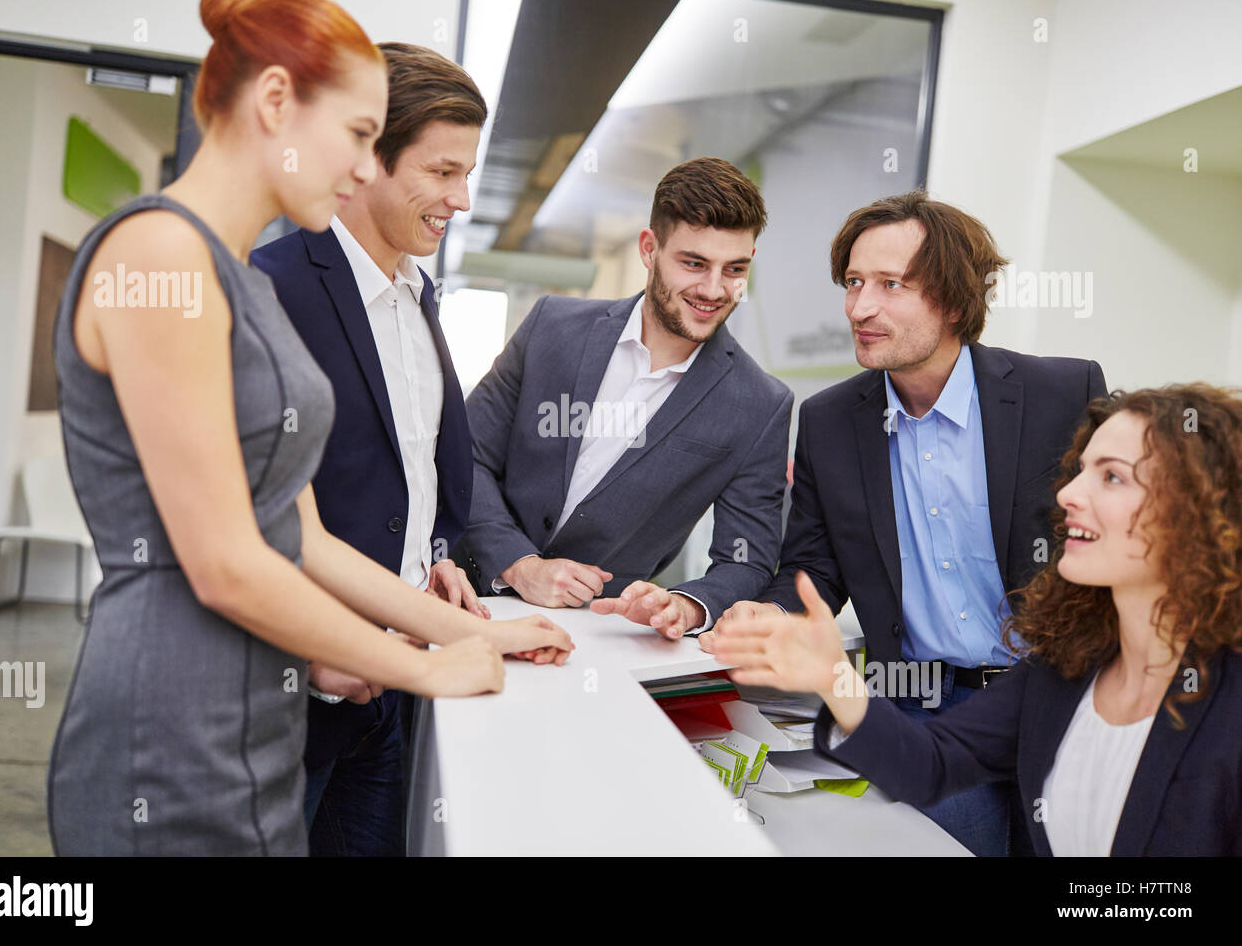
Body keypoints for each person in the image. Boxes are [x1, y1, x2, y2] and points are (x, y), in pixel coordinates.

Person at [47, 0, 570, 857]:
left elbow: (304, 539)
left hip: (258, 712)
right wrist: (423, 666)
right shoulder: (159, 254)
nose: (366, 170)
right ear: (278, 102)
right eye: (361, 135)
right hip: (169, 724)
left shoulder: (238, 282)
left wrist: (476, 633)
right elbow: (225, 561)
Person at [705, 190, 1106, 856]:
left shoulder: (1061, 394)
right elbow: (815, 565)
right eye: (855, 283)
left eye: (892, 285)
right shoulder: (831, 421)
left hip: (1057, 697)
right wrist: (775, 615)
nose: (860, 308)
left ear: (953, 298)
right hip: (925, 712)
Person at [711, 384, 1242, 856]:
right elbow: (932, 764)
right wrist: (831, 677)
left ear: (1197, 513)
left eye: (1112, 477)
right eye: (1081, 471)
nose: (1068, 495)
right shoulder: (1063, 669)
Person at [252, 42, 490, 856]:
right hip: (294, 695)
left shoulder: (417, 296)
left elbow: (410, 475)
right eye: (443, 172)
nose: (461, 199)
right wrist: (312, 652)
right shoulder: (273, 286)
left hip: (391, 694)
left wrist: (439, 554)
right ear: (371, 160)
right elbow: (242, 518)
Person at [458, 157, 793, 640]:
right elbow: (465, 456)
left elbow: (747, 561)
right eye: (694, 263)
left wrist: (688, 605)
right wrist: (518, 562)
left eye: (734, 269)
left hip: (597, 640)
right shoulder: (552, 327)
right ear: (648, 249)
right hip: (467, 600)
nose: (714, 290)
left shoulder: (760, 405)